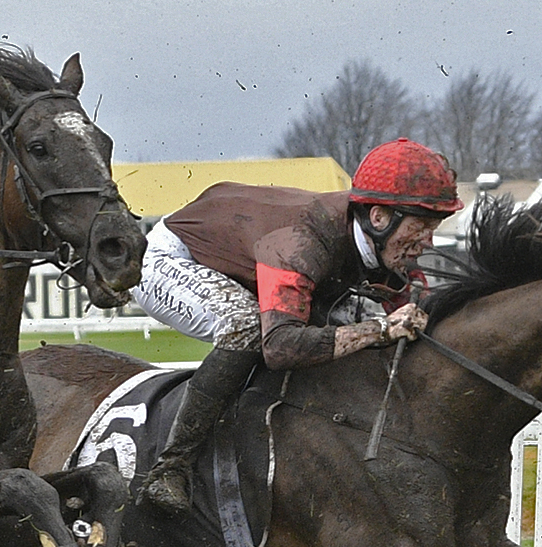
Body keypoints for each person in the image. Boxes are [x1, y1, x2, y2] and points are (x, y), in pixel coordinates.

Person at [129, 137, 463, 515]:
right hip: (172, 258)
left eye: (434, 227)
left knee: (342, 327)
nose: (427, 241)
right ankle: (171, 467)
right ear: (379, 217)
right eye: (420, 227)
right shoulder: (302, 242)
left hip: (247, 255)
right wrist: (379, 330)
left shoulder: (379, 240)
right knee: (247, 328)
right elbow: (281, 346)